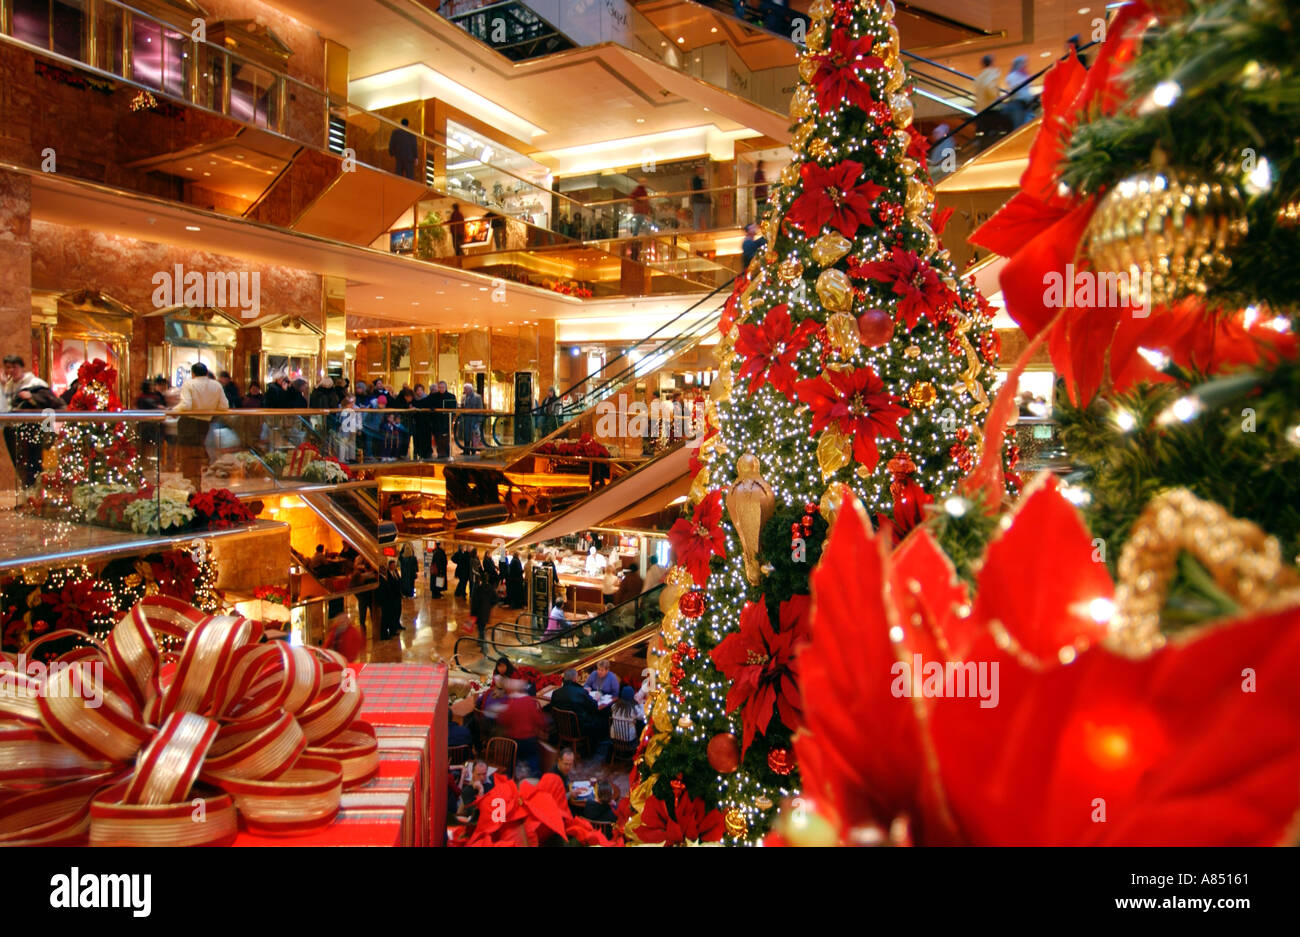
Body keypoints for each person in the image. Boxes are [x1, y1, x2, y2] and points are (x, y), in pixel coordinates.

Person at [1, 355, 62, 486]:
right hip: (12, 431)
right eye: (8, 367)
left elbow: (52, 402)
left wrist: (31, 397)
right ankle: (28, 494)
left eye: (14, 367)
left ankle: (36, 495)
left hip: (33, 430)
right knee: (20, 466)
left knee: (33, 465)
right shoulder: (8, 385)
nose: (11, 370)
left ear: (21, 367)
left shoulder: (34, 384)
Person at [172, 362, 228, 490]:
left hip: (188, 424)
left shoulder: (189, 384)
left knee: (188, 458)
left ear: (192, 373)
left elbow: (186, 405)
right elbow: (224, 406)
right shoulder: (216, 385)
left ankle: (191, 489)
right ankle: (196, 488)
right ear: (206, 373)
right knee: (198, 456)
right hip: (205, 424)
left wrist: (173, 411)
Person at [496, 679, 544, 777]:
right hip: (530, 740)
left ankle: (512, 781)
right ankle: (535, 782)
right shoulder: (529, 701)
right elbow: (539, 720)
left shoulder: (510, 703)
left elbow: (502, 720)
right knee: (533, 764)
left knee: (513, 764)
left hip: (514, 741)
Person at [549, 669, 602, 744]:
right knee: (601, 720)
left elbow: (552, 708)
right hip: (578, 729)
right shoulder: (581, 692)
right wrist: (596, 699)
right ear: (575, 679)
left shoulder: (556, 693)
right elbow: (594, 707)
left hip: (561, 728)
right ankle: (595, 747)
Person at [425, 380, 455, 459]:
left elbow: (453, 409)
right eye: (440, 387)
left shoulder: (451, 396)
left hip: (446, 420)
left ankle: (447, 453)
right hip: (436, 421)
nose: (441, 389)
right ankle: (440, 453)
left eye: (443, 387)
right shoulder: (433, 396)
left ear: (446, 387)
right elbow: (428, 405)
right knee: (438, 437)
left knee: (446, 438)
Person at [1004, 55, 1034, 128]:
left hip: (1027, 103)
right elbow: (1015, 87)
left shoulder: (1025, 75)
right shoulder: (1012, 76)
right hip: (1017, 103)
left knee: (1028, 122)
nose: (1025, 65)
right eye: (1023, 63)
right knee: (1019, 125)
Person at [378, 559, 404, 639]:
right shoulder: (382, 578)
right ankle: (387, 633)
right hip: (389, 599)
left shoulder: (395, 572)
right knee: (388, 616)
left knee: (397, 611)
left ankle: (395, 627)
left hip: (396, 596)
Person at [460, 382, 484, 454]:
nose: (465, 390)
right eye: (464, 389)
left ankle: (473, 451)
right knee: (466, 435)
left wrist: (479, 420)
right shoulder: (464, 397)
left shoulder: (477, 397)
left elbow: (480, 409)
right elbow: (462, 407)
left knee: (474, 435)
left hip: (474, 419)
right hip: (466, 419)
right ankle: (466, 450)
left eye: (466, 389)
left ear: (470, 389)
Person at [337, 394, 360, 462]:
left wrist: (358, 428)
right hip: (345, 429)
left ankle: (351, 458)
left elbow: (358, 419)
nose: (352, 404)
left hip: (352, 429)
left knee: (351, 443)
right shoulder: (342, 409)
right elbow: (341, 420)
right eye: (351, 403)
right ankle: (342, 459)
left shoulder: (355, 408)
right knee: (343, 444)